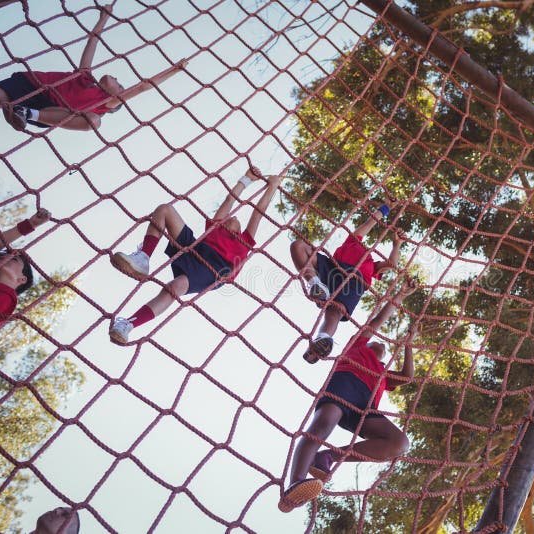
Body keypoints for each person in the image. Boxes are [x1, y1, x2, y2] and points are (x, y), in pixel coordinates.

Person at [279, 277, 418, 512]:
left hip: (365, 407)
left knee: (400, 443)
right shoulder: (357, 345)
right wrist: (400, 296)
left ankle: (328, 457)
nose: (381, 345)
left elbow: (407, 376)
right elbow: (379, 319)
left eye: (384, 349)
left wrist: (408, 344)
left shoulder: (383, 373)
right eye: (378, 343)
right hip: (345, 384)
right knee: (321, 426)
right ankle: (295, 484)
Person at [108, 168, 281, 344]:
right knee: (164, 209)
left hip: (215, 268)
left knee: (174, 287)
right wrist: (246, 180)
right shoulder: (216, 226)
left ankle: (127, 325)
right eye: (231, 216)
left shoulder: (245, 241)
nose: (235, 216)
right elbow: (230, 199)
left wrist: (272, 186)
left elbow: (258, 213)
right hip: (196, 248)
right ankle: (143, 258)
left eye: (237, 219)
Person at [0, 5, 188, 132]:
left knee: (94, 122)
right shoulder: (85, 76)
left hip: (50, 110)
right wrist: (103, 18)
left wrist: (175, 70)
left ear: (116, 96)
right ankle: (14, 111)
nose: (117, 79)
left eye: (119, 84)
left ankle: (25, 113)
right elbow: (92, 42)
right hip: (30, 84)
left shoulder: (104, 103)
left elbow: (142, 87)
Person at [290, 203, 403, 363]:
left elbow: (391, 264)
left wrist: (396, 245)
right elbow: (368, 223)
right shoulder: (353, 241)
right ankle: (314, 283)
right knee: (298, 246)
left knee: (336, 311)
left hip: (355, 281)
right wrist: (385, 208)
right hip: (334, 268)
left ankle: (320, 341)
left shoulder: (372, 265)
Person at [0, 208, 51, 340]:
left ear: (22, 279)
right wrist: (30, 224)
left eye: (14, 259)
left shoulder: (7, 296)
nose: (6, 257)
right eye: (4, 255)